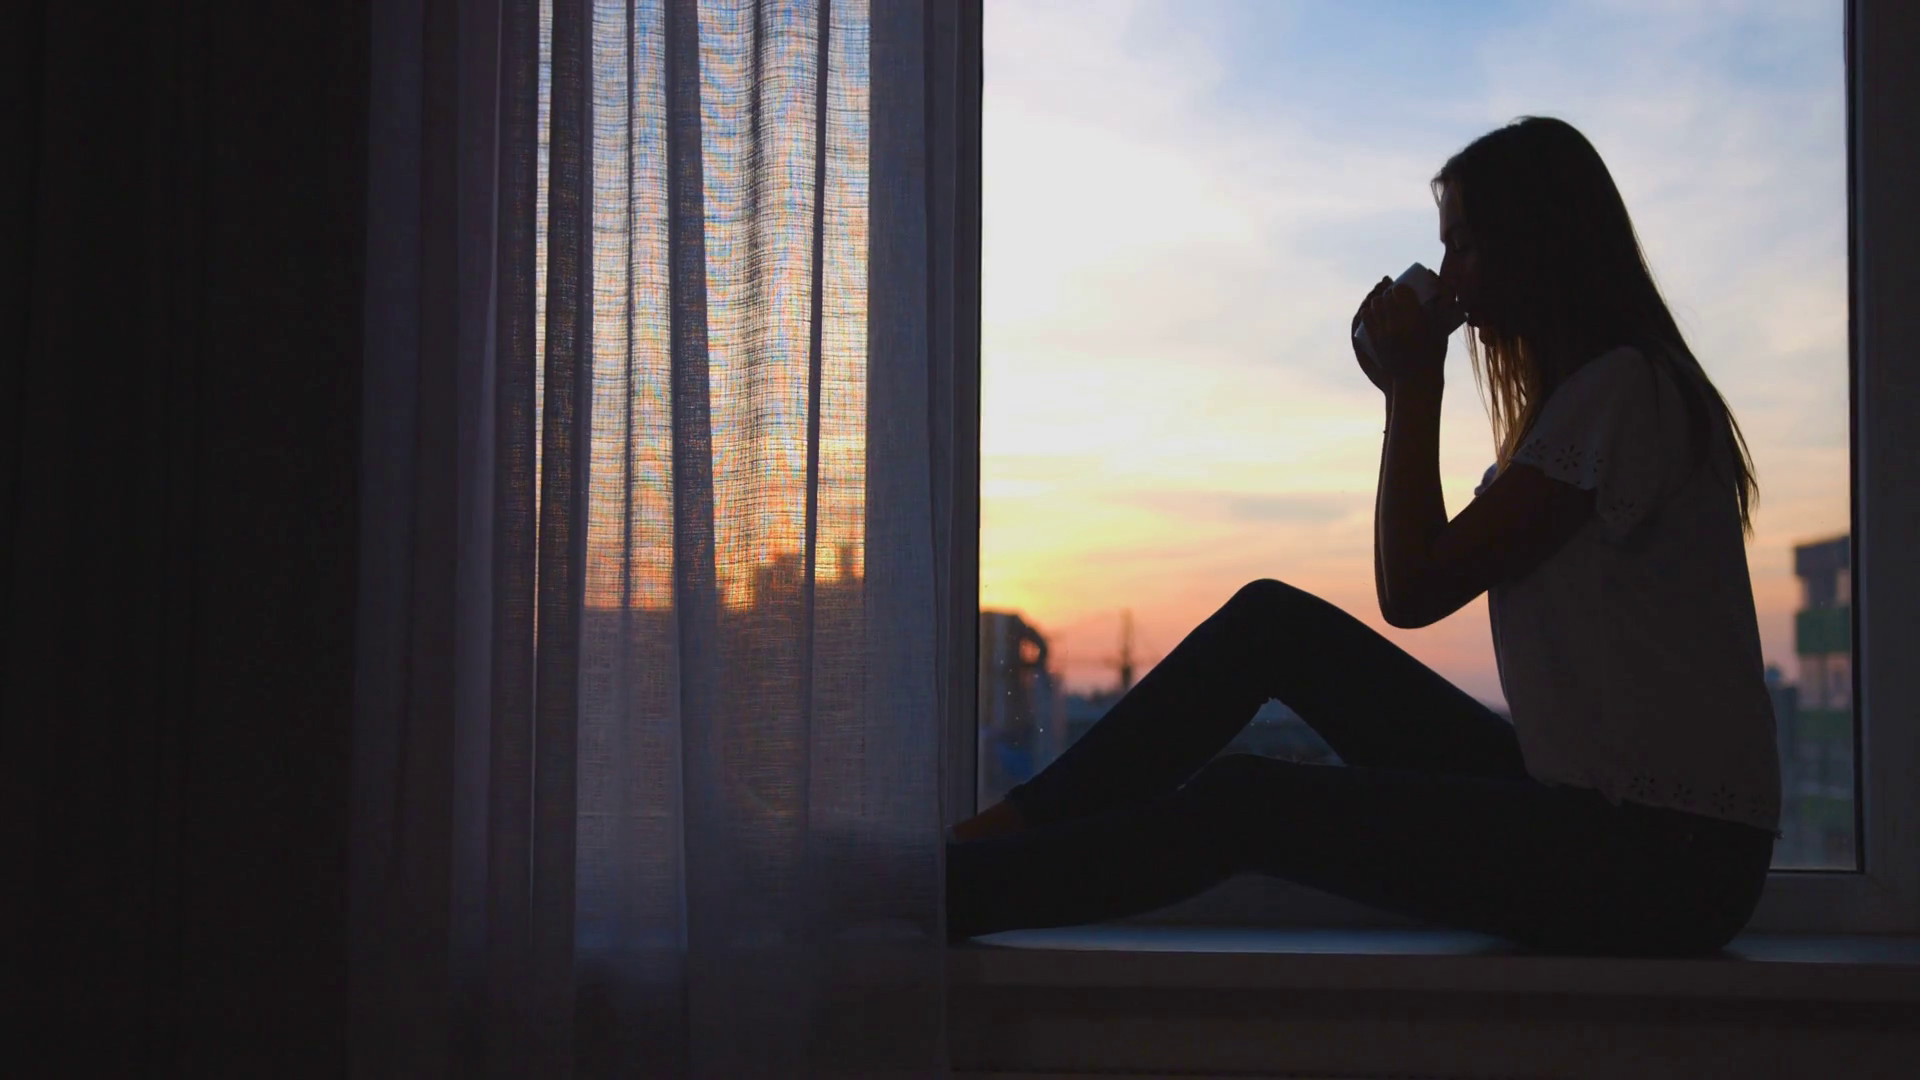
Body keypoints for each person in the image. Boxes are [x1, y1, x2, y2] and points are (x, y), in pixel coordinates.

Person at [945, 116, 1783, 956]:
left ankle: (948, 891)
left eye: (1464, 247)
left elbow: (1413, 589)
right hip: (1620, 827)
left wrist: (1412, 390)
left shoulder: (1626, 391)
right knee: (1272, 625)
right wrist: (1410, 388)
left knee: (1249, 802)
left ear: (1534, 244)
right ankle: (998, 836)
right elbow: (1415, 583)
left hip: (1663, 861)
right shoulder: (1598, 400)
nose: (1450, 280)